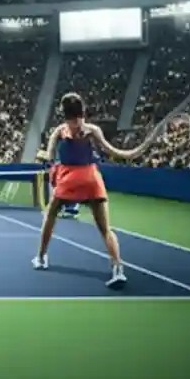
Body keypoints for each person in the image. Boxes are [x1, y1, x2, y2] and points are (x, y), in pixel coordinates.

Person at [33, 93, 160, 289]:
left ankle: (41, 257)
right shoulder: (92, 130)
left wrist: (41, 155)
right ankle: (118, 268)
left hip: (69, 179)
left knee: (50, 215)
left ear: (63, 113)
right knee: (105, 229)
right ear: (82, 111)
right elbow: (118, 153)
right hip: (91, 179)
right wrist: (137, 151)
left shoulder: (59, 131)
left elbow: (48, 157)